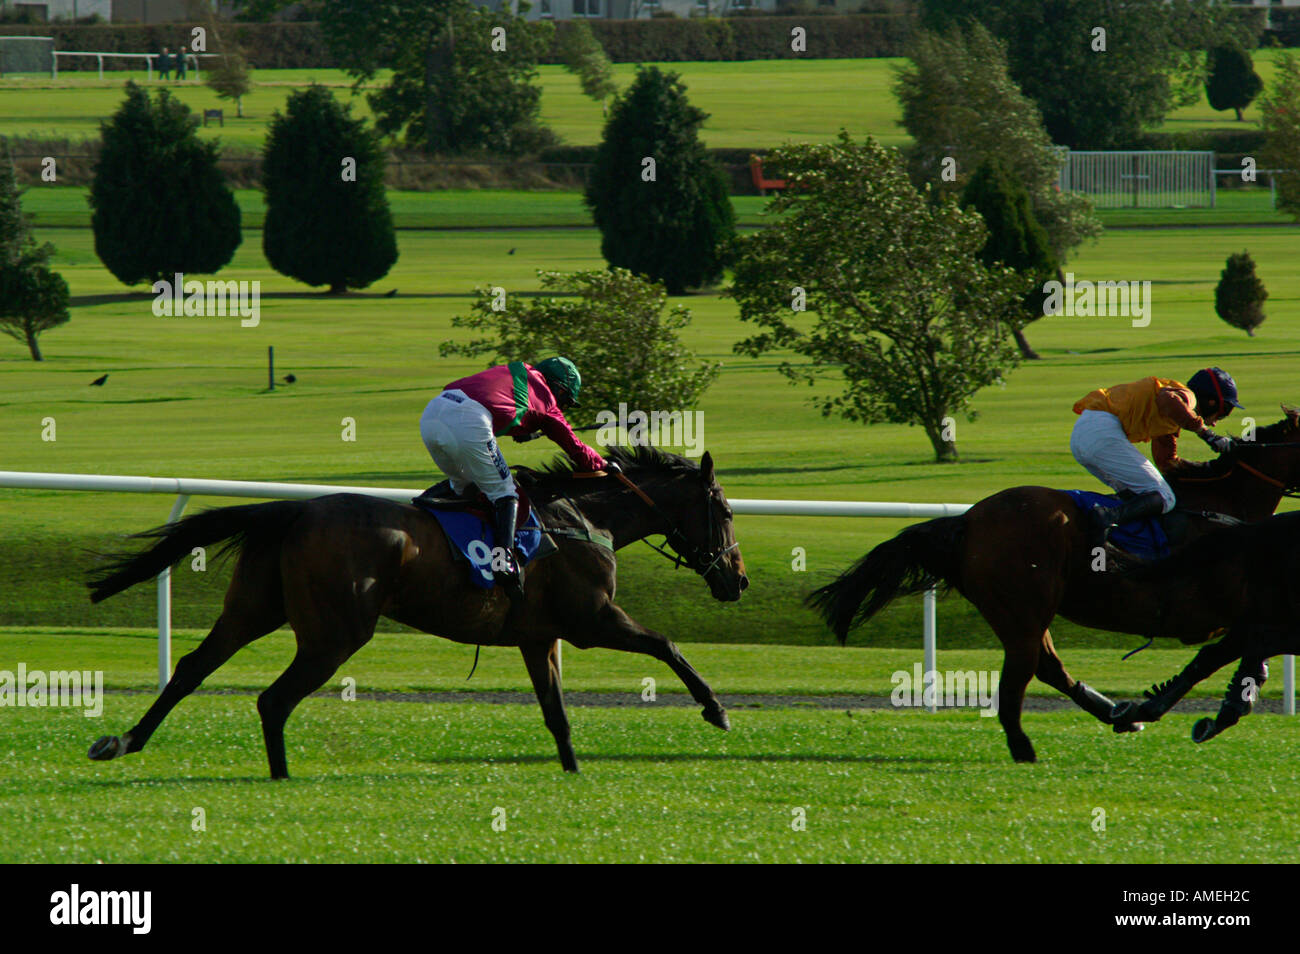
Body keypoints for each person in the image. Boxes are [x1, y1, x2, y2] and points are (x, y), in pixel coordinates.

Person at [419, 357, 615, 600]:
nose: (561, 407)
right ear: (561, 389)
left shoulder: (517, 372)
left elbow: (496, 401)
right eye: (565, 402)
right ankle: (503, 560)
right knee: (505, 493)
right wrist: (602, 464)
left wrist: (523, 428)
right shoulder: (546, 398)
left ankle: (426, 514)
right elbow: (572, 445)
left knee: (465, 487)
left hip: (432, 415)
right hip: (468, 421)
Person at [1070, 367, 1243, 543]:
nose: (1214, 422)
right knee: (1165, 497)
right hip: (1101, 432)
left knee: (1135, 495)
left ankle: (1114, 540)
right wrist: (1207, 435)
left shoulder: (1170, 421)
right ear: (1211, 401)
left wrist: (1209, 468)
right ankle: (1104, 518)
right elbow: (1167, 400)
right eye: (1222, 414)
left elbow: (1166, 462)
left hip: (1082, 437)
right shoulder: (1187, 396)